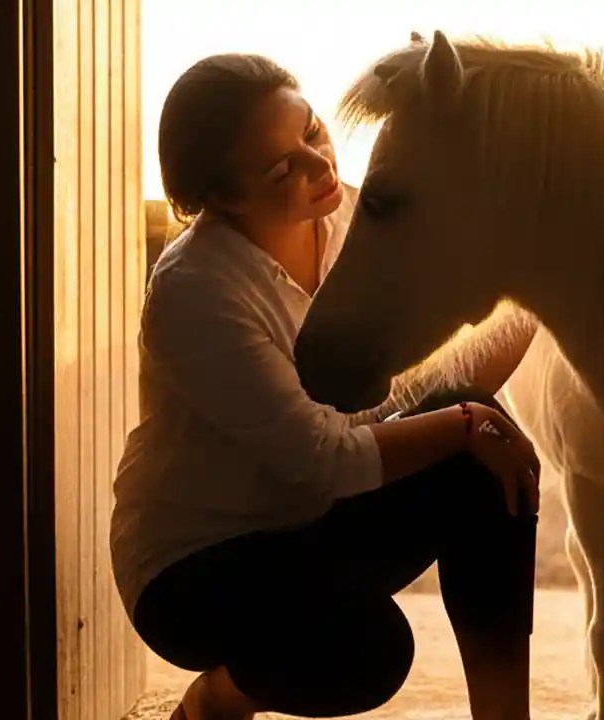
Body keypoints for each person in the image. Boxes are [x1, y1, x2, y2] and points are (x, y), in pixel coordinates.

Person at [111, 52, 542, 720]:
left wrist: (525, 291)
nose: (320, 167)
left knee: (487, 454)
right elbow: (325, 455)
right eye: (284, 168)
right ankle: (217, 697)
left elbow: (389, 397)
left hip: (309, 521)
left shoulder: (346, 225)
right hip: (198, 568)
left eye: (312, 132)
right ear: (225, 197)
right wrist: (463, 425)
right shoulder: (196, 290)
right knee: (367, 652)